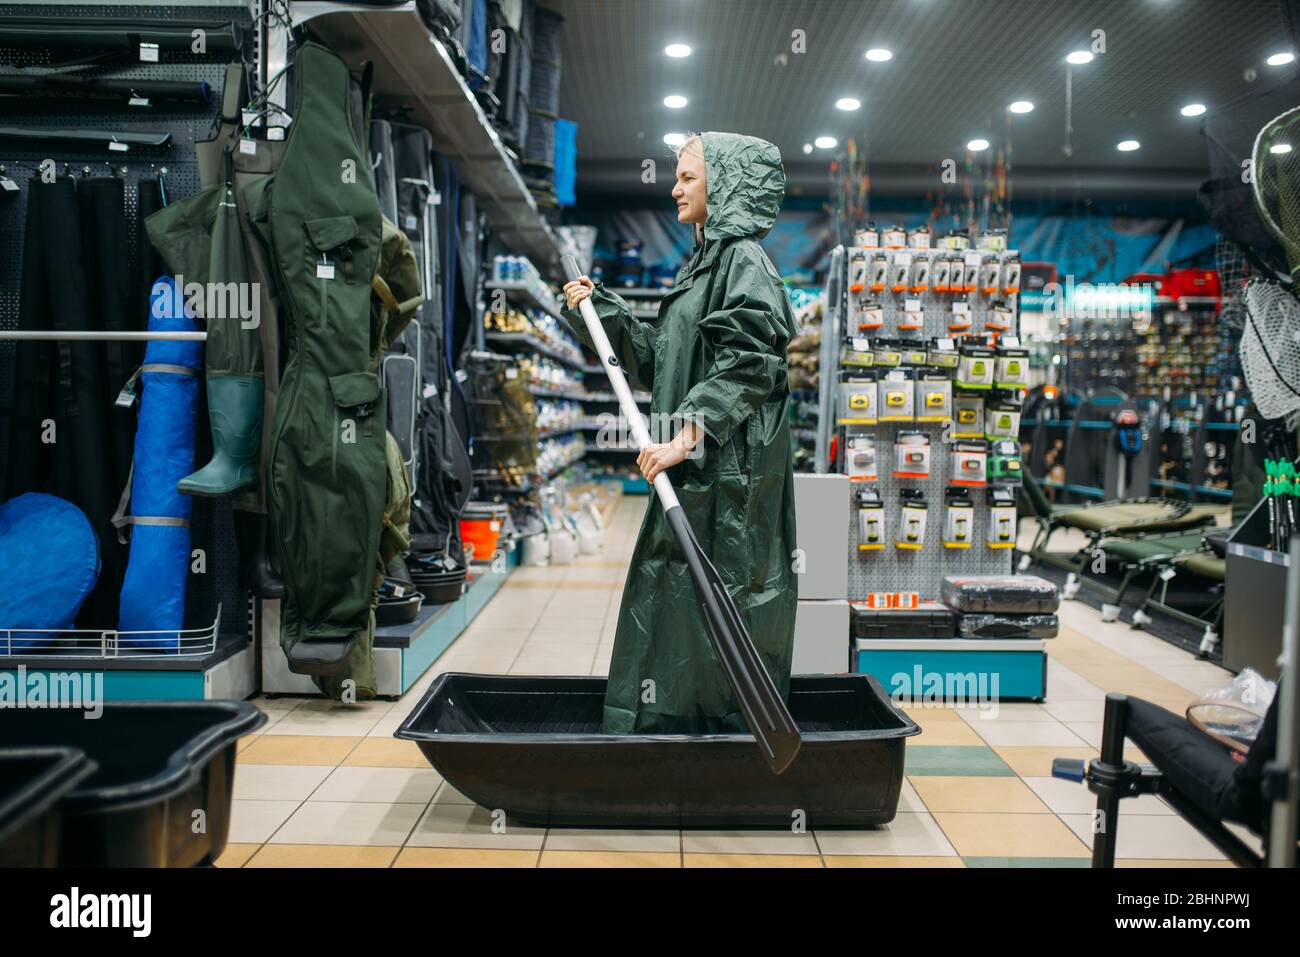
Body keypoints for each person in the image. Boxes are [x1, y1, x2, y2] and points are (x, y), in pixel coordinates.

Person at [561, 131, 799, 734]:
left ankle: (722, 739)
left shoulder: (743, 261)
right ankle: (673, 732)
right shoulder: (699, 267)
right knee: (675, 606)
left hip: (727, 481)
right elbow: (658, 360)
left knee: (723, 606)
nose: (674, 187)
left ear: (726, 186)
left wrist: (686, 435)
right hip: (692, 471)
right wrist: (604, 310)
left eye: (688, 177)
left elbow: (748, 363)